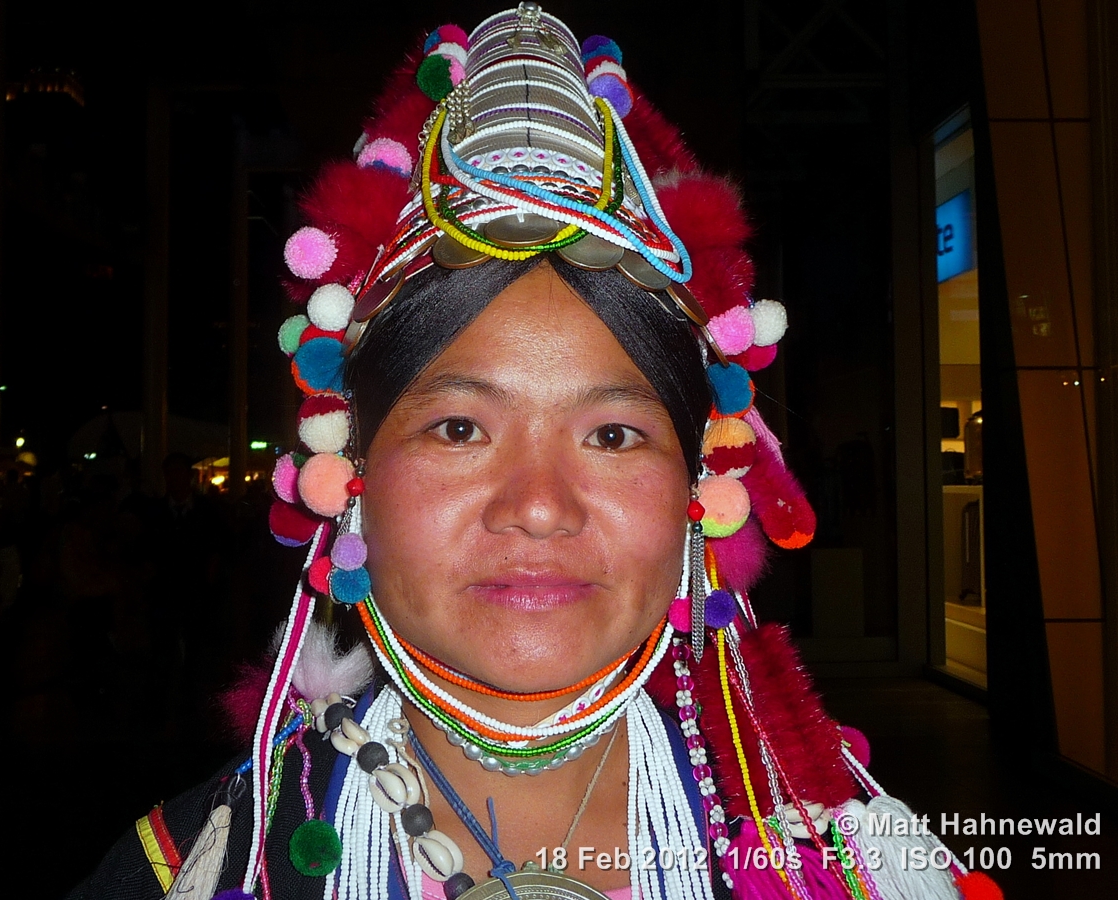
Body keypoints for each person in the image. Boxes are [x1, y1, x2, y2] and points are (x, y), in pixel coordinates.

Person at [70, 7, 997, 900]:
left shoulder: (849, 861)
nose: (541, 506)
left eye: (613, 434)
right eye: (460, 429)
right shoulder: (204, 871)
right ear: (347, 482)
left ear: (699, 489)